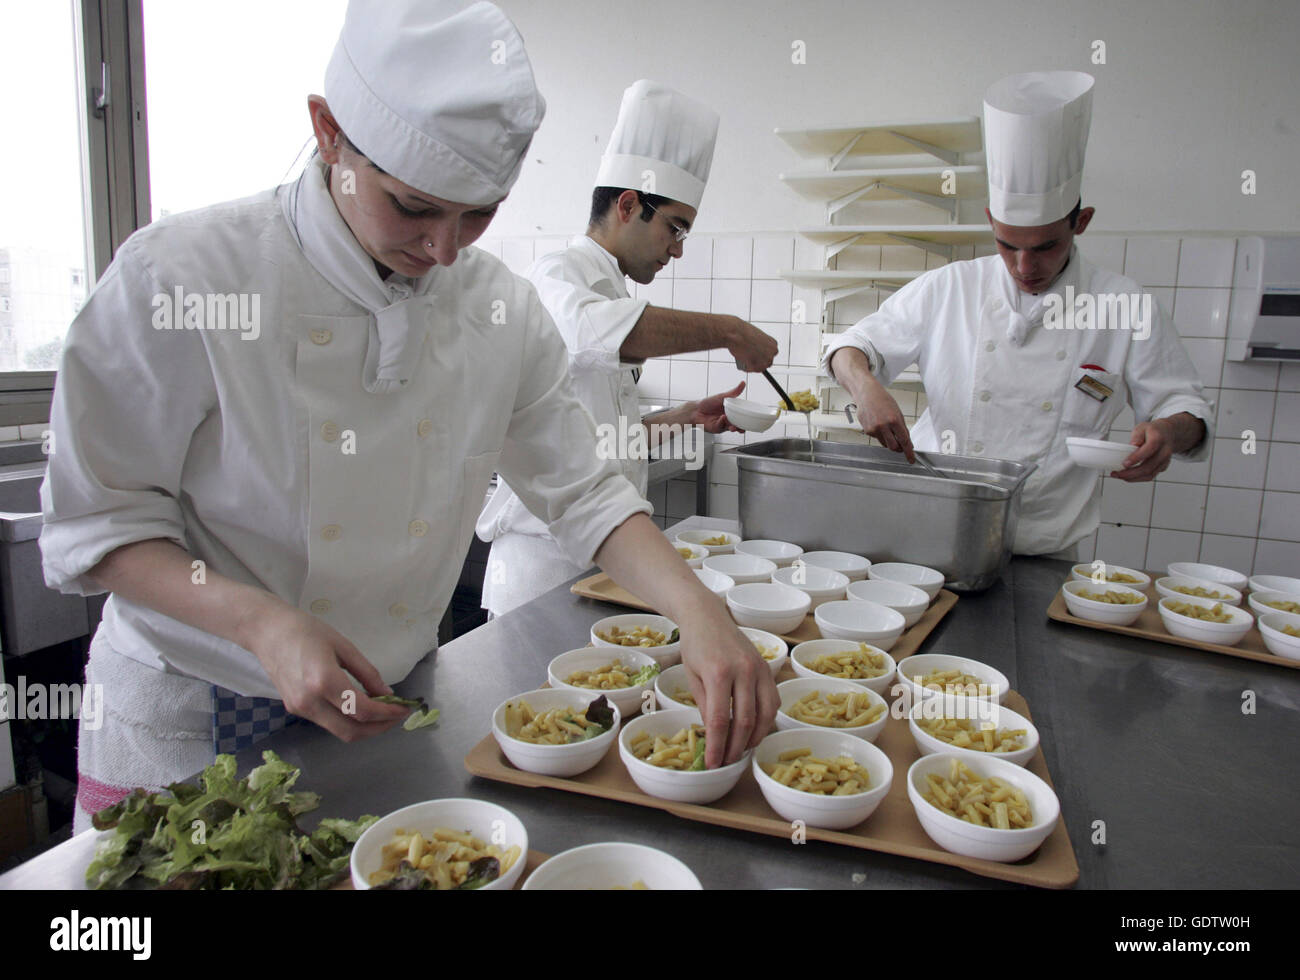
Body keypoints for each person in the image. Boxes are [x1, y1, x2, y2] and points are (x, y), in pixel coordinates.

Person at [40, 0, 775, 833]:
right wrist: (266, 623)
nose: (445, 251)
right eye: (414, 207)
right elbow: (98, 524)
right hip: (193, 710)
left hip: (384, 704)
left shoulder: (499, 310)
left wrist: (702, 615)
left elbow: (587, 493)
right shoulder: (182, 278)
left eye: (480, 212)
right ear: (327, 132)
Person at [824, 71, 1214, 558]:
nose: (1024, 267)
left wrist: (1166, 434)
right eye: (1007, 245)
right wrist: (866, 388)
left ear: (1082, 222)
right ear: (991, 221)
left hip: (1044, 548)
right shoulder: (951, 287)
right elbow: (849, 346)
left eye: (1045, 246)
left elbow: (1188, 408)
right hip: (928, 533)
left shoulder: (1125, 305)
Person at [478, 80, 779, 614]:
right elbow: (592, 334)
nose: (678, 250)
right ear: (628, 203)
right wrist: (731, 330)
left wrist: (686, 415)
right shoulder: (556, 276)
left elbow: (600, 442)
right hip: (540, 568)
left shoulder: (610, 290)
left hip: (599, 562)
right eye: (675, 228)